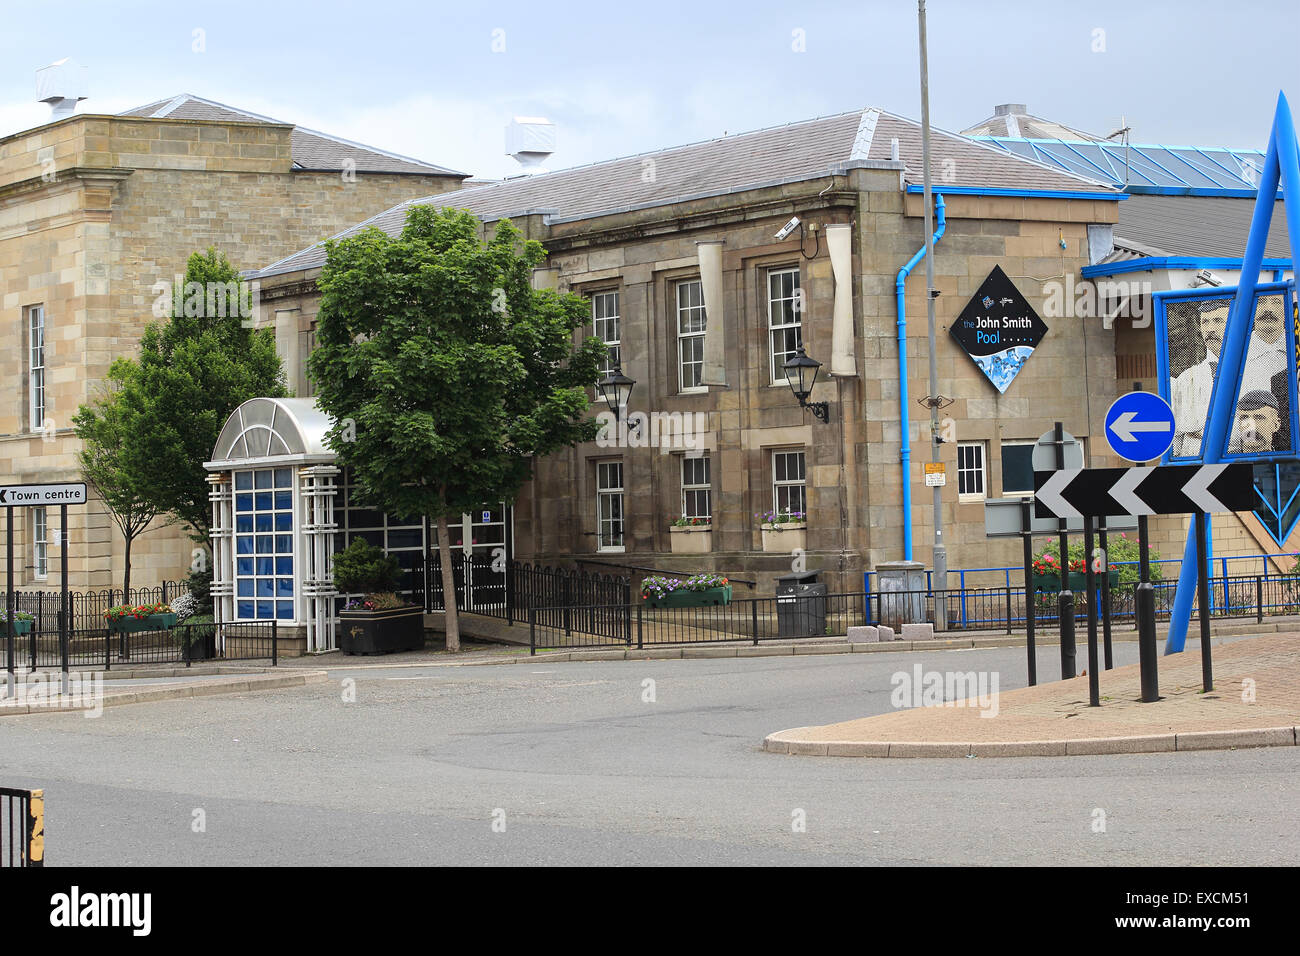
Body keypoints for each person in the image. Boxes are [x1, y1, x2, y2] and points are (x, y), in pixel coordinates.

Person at [1170, 299, 1229, 457]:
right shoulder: (1188, 377)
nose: (1210, 329)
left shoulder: (1251, 368)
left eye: (1217, 321)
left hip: (1238, 461)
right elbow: (1175, 437)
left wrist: (1203, 432)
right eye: (1205, 322)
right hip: (1194, 463)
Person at [1228, 390, 1282, 455]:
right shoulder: (1222, 463)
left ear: (1275, 425)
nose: (1251, 426)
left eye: (1259, 418)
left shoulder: (1286, 462)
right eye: (1244, 418)